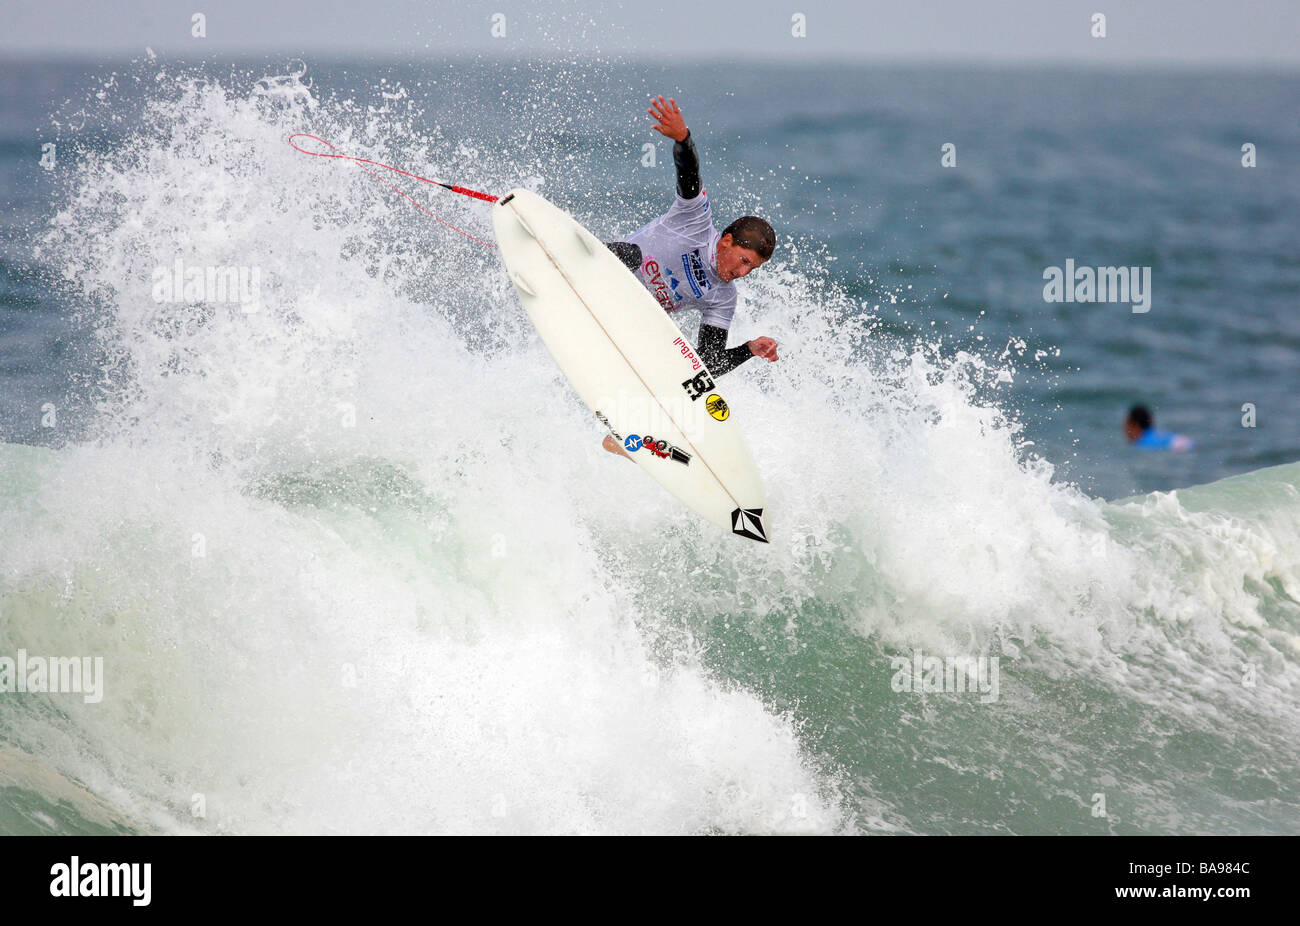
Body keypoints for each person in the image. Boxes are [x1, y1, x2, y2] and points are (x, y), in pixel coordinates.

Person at [601, 96, 779, 459]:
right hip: (601, 278)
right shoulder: (695, 221)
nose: (742, 273)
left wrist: (749, 349)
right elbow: (689, 176)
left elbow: (708, 362)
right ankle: (557, 258)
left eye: (752, 269)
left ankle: (623, 433)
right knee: (633, 255)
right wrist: (683, 140)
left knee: (683, 368)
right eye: (743, 261)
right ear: (726, 241)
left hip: (628, 324)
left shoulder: (722, 297)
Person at [1124, 405, 1195, 451]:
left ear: (1134, 425)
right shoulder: (1162, 433)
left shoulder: (1141, 444)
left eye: (1126, 424)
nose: (1124, 428)